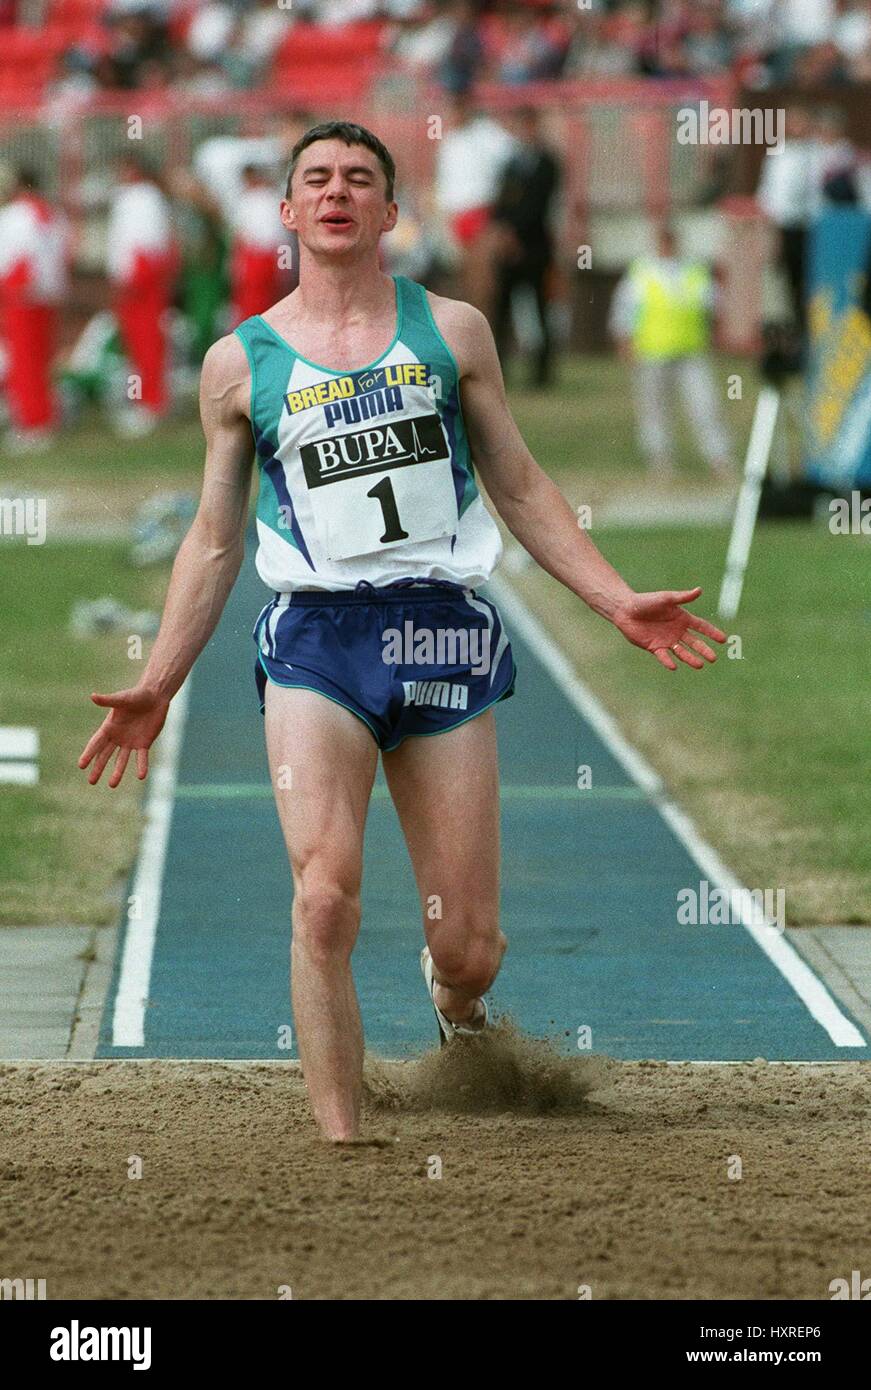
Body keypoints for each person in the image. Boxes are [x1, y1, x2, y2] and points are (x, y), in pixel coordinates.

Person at [79, 121, 727, 1143]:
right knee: (323, 894)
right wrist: (159, 678)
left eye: (360, 180)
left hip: (441, 636)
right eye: (316, 180)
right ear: (287, 211)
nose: (337, 193)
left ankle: (455, 1002)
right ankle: (343, 1141)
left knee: (469, 942)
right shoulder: (235, 363)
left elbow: (515, 479)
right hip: (313, 639)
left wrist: (614, 598)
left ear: (389, 211)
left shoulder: (455, 330)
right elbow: (211, 539)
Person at [608, 225, 735, 477]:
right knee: (655, 409)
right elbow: (624, 311)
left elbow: (714, 307)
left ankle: (719, 458)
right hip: (653, 351)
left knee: (704, 405)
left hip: (691, 350)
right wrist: (625, 344)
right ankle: (660, 459)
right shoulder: (642, 272)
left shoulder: (694, 271)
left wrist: (718, 337)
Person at [489, 105, 561, 389]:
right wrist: (503, 235)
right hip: (509, 250)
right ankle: (499, 370)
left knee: (541, 310)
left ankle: (542, 374)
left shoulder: (548, 163)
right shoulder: (510, 163)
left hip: (535, 248)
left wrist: (515, 234)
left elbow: (539, 206)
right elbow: (499, 203)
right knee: (501, 310)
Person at [106, 153, 176, 434]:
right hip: (134, 277)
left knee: (148, 342)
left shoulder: (143, 196)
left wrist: (136, 273)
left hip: (143, 278)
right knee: (137, 343)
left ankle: (152, 403)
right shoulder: (133, 196)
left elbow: (146, 240)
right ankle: (145, 400)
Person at [0, 165, 67, 451]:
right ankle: (41, 416)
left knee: (25, 361)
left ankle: (33, 423)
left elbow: (17, 258)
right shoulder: (49, 213)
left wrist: (15, 287)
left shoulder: (18, 214)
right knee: (38, 361)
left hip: (22, 295)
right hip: (44, 295)